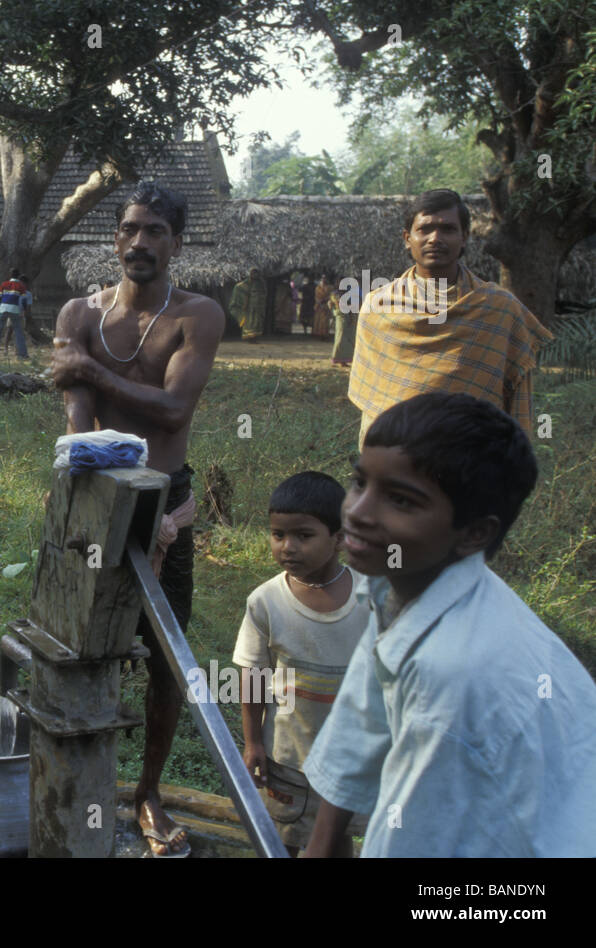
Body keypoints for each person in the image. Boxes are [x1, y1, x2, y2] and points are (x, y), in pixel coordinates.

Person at [301, 392, 596, 857]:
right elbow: (361, 720)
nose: (358, 511)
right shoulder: (401, 586)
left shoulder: (456, 680)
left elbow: (412, 845)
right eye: (360, 482)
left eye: (400, 499)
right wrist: (320, 847)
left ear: (475, 533)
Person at [51, 181, 225, 856]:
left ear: (175, 243)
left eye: (155, 231)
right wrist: (84, 381)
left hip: (166, 504)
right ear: (115, 239)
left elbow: (175, 411)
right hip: (93, 494)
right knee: (76, 643)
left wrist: (88, 369)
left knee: (167, 663)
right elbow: (79, 424)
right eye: (129, 230)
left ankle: (147, 793)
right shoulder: (79, 314)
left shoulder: (196, 315)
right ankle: (72, 777)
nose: (140, 242)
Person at [348, 188, 553, 448]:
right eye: (425, 229)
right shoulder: (378, 305)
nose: (435, 238)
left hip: (471, 456)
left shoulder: (500, 308)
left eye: (447, 229)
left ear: (464, 237)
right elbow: (374, 399)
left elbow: (518, 393)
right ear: (407, 238)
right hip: (394, 454)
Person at [233, 472, 370, 857]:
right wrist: (254, 741)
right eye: (278, 535)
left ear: (339, 538)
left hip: (351, 752)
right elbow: (254, 674)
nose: (287, 547)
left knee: (337, 833)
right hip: (290, 754)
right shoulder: (266, 602)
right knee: (286, 836)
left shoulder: (369, 596)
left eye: (303, 536)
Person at [0, 268, 29, 359]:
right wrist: (24, 309)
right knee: (19, 332)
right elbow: (24, 300)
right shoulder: (21, 286)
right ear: (18, 276)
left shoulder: (4, 284)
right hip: (14, 310)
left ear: (10, 275)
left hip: (3, 308)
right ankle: (22, 354)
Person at [230, 267, 267, 341]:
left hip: (258, 307)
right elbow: (240, 290)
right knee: (248, 322)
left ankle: (255, 337)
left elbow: (264, 293)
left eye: (256, 273)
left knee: (257, 323)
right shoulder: (244, 285)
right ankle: (250, 338)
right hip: (248, 307)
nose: (255, 275)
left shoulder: (261, 283)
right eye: (253, 273)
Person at [330, 283, 355, 367]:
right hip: (340, 317)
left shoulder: (347, 295)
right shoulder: (335, 295)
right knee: (340, 338)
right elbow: (336, 304)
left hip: (346, 317)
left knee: (346, 339)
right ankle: (337, 358)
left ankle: (343, 360)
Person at [313, 274, 334, 339]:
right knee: (318, 320)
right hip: (319, 305)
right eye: (322, 278)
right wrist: (319, 302)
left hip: (326, 305)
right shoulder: (317, 288)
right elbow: (316, 296)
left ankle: (324, 334)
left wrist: (325, 300)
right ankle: (317, 334)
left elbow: (330, 296)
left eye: (325, 278)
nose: (323, 280)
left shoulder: (330, 287)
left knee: (325, 321)